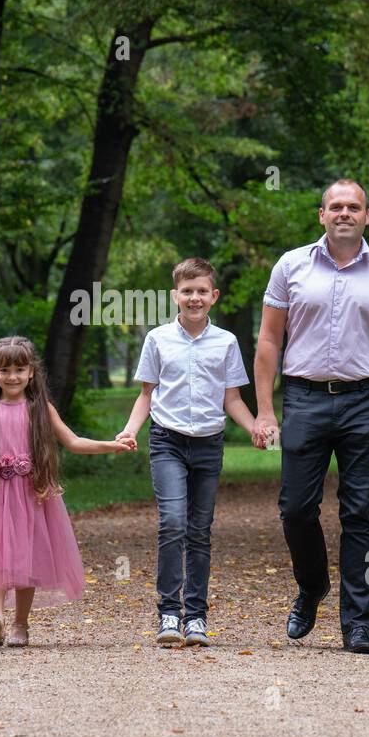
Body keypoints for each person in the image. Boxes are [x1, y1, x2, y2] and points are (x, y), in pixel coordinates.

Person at [252, 179, 369, 652]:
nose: (344, 213)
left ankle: (357, 623)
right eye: (336, 206)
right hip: (304, 400)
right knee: (295, 510)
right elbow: (269, 340)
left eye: (354, 206)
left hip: (365, 402)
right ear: (322, 215)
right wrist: (265, 411)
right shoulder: (291, 266)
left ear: (368, 216)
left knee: (358, 513)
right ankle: (312, 587)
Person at [0, 336, 134, 648]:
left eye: (19, 369)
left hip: (31, 495)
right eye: (5, 370)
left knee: (24, 560)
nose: (12, 376)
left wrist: (112, 445)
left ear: (31, 372)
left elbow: (73, 442)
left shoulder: (40, 408)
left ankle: (20, 624)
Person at [116, 258, 255, 647]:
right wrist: (130, 430)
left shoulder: (226, 342)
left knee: (199, 531)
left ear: (214, 296)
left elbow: (233, 399)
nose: (195, 298)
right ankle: (168, 614)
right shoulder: (158, 339)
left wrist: (256, 427)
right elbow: (146, 394)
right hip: (167, 442)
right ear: (175, 295)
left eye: (202, 291)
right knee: (172, 523)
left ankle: (196, 617)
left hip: (209, 445)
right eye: (187, 291)